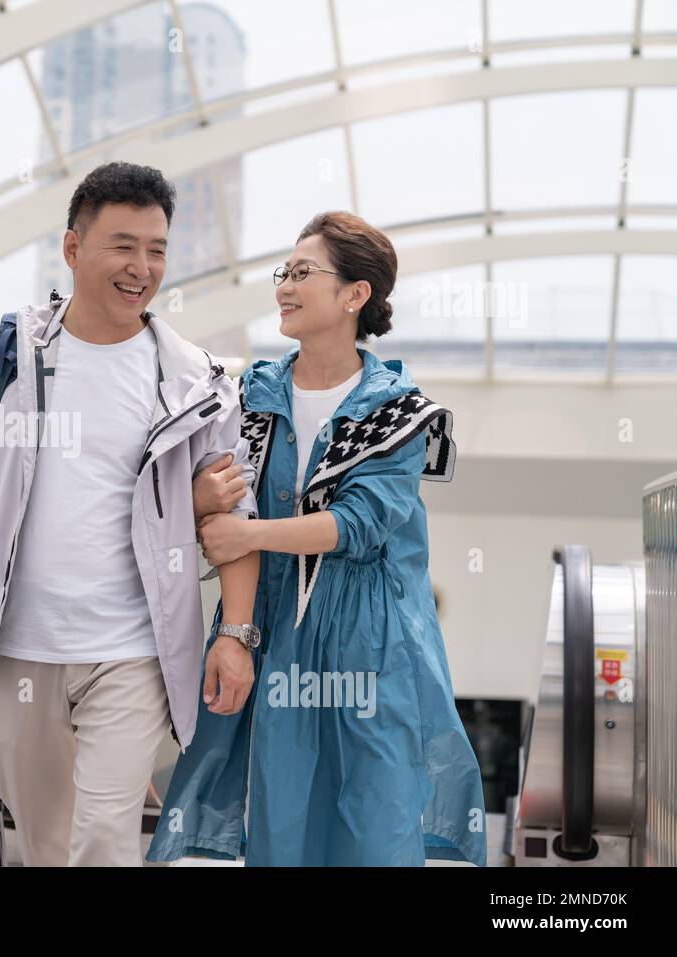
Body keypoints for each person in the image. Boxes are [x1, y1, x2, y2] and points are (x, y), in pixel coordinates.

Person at [0, 161, 260, 866]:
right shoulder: (12, 354)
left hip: (134, 648)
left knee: (104, 836)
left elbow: (235, 523)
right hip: (21, 645)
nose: (142, 267)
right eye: (124, 245)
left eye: (158, 249)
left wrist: (235, 633)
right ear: (73, 249)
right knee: (42, 843)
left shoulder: (194, 379)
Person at [147, 211, 487, 867]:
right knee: (280, 828)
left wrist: (248, 529)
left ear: (355, 294)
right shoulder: (250, 395)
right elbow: (223, 504)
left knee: (376, 827)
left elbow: (359, 524)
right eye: (284, 272)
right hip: (272, 629)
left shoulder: (397, 410)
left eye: (303, 272)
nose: (285, 286)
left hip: (372, 641)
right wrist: (235, 635)